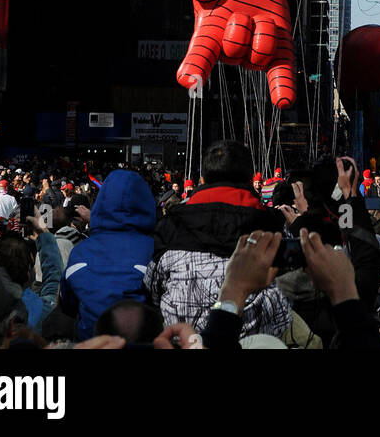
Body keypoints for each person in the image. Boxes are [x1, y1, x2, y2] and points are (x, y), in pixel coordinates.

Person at [144, 140, 290, 339]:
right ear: (250, 180)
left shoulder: (170, 224)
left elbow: (152, 288)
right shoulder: (272, 226)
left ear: (202, 179)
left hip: (184, 341)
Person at [59, 169, 156, 341]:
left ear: (101, 203)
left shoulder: (80, 251)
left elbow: (67, 305)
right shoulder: (154, 250)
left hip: (89, 342)